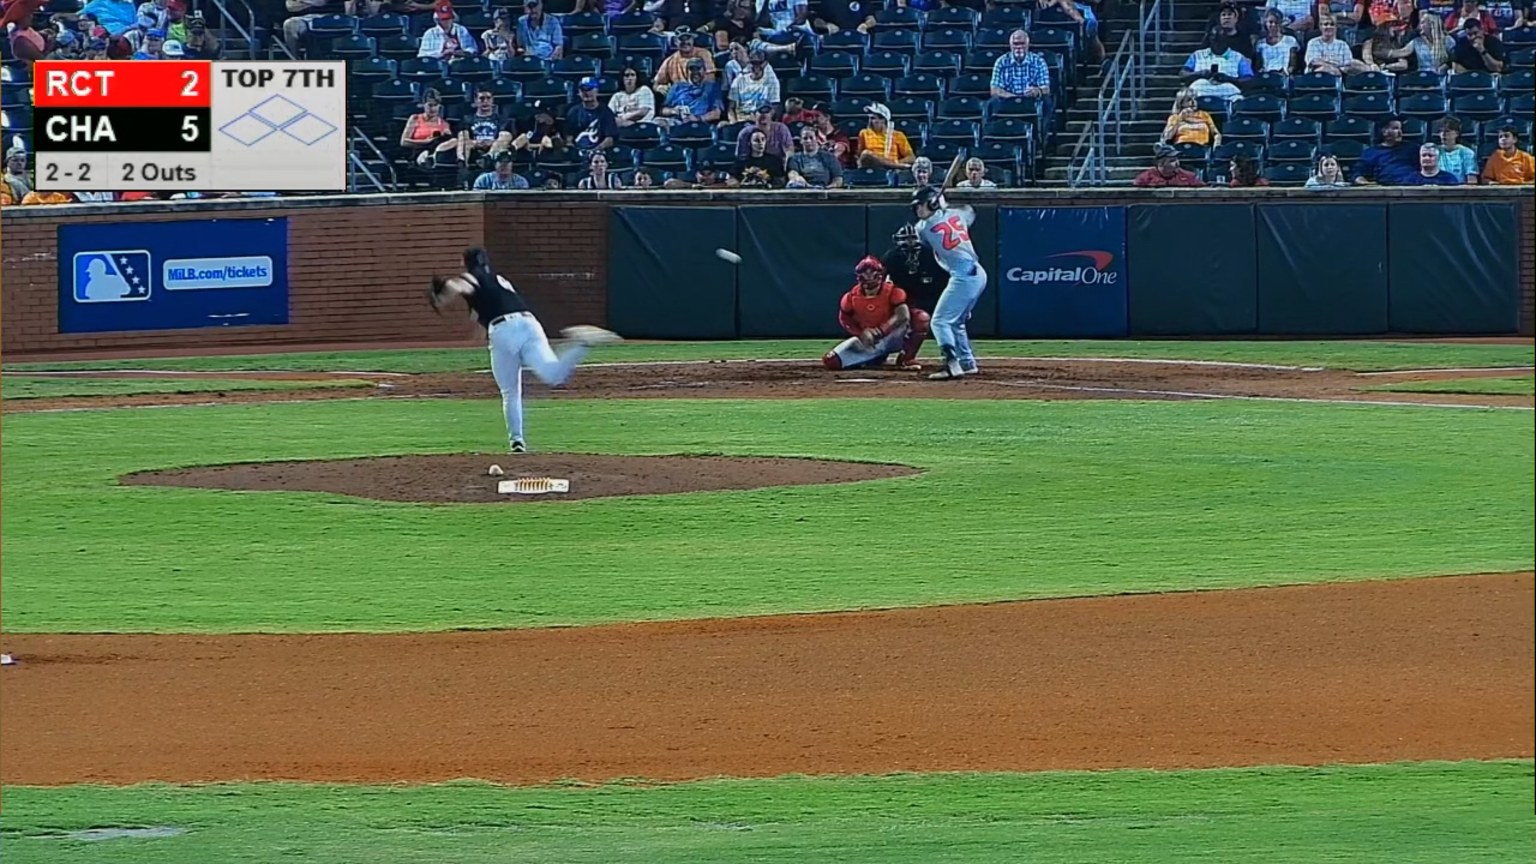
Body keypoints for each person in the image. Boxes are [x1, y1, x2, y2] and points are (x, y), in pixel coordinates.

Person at [427, 248, 621, 453]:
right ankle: (582, 343)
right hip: (529, 323)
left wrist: (441, 295)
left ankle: (517, 441)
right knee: (553, 374)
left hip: (503, 331)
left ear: (464, 262)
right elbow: (496, 304)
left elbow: (458, 286)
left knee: (510, 391)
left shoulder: (470, 277)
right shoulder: (500, 280)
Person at [911, 185, 986, 381]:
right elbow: (969, 210)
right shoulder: (957, 215)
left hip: (964, 276)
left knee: (940, 321)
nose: (917, 209)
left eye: (920, 205)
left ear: (931, 204)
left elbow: (926, 236)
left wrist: (940, 206)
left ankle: (951, 364)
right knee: (956, 322)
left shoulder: (923, 228)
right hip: (977, 274)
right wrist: (944, 205)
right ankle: (967, 363)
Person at [821, 256, 929, 372]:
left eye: (872, 272)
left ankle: (907, 358)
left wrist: (881, 330)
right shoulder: (850, 297)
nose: (869, 276)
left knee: (921, 318)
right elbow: (844, 319)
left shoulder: (893, 292)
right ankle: (875, 357)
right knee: (831, 361)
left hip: (893, 334)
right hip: (870, 340)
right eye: (865, 272)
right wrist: (861, 333)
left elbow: (903, 316)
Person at [879, 223, 947, 323]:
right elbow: (883, 283)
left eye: (913, 239)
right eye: (906, 240)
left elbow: (943, 281)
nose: (910, 243)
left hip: (929, 298)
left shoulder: (931, 256)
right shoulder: (891, 258)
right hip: (902, 300)